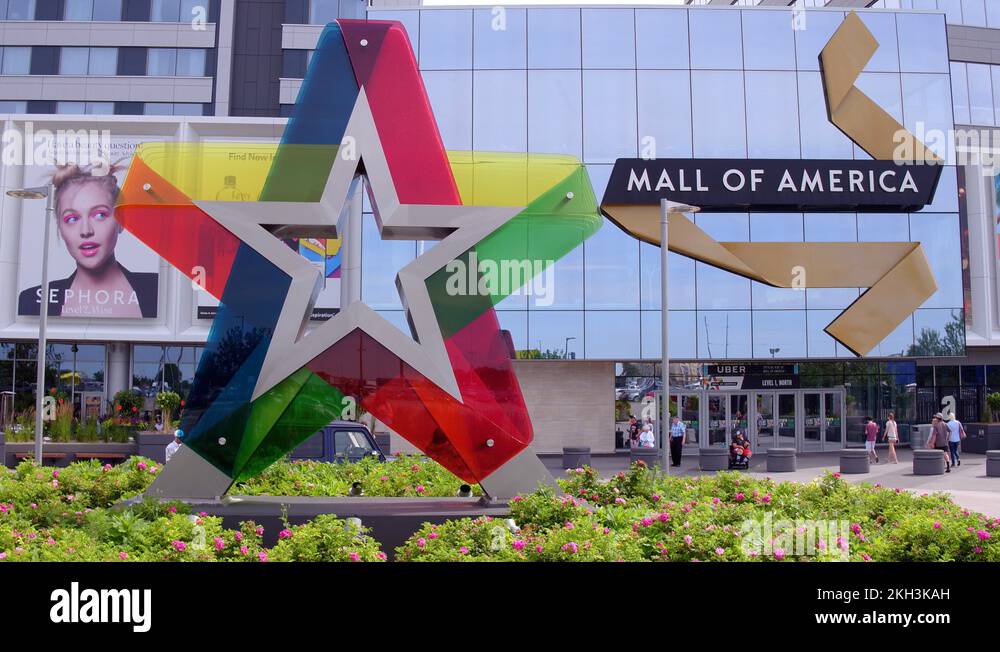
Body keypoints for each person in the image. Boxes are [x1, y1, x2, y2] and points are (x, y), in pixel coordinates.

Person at [18, 162, 157, 318]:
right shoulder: (32, 301)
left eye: (99, 215)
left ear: (121, 221)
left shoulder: (158, 291)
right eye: (72, 218)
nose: (86, 231)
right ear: (60, 228)